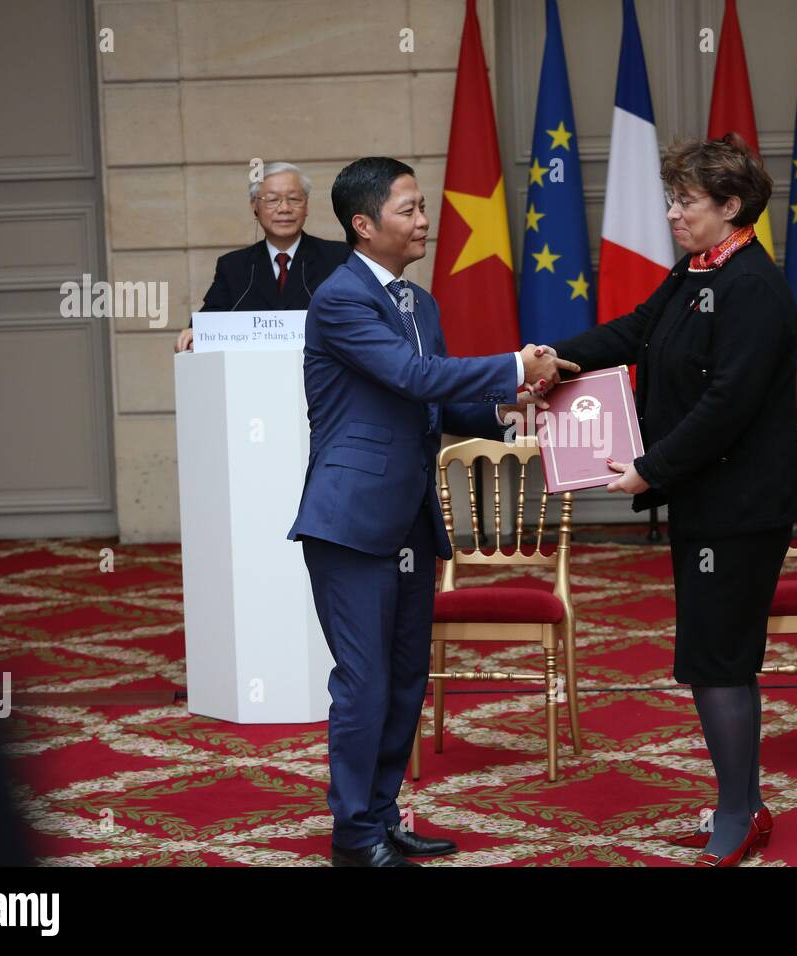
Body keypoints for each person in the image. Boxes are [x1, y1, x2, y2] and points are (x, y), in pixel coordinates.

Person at [285, 157, 578, 867]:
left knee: (407, 676)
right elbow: (411, 375)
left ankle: (383, 818)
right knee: (365, 682)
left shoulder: (420, 303)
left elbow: (437, 403)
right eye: (409, 210)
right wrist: (515, 363)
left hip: (411, 518)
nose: (425, 222)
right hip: (351, 522)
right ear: (363, 224)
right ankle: (353, 834)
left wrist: (512, 407)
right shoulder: (340, 298)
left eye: (422, 208)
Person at [549, 134, 797, 866]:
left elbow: (729, 403)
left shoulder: (754, 285)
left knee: (719, 659)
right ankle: (741, 804)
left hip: (743, 505)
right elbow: (636, 332)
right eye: (672, 198)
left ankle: (740, 813)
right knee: (710, 656)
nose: (672, 212)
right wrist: (550, 358)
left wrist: (650, 468)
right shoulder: (697, 270)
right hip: (709, 498)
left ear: (732, 208)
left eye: (687, 201)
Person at [174, 162, 350, 352]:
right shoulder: (234, 266)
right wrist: (196, 332)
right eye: (272, 199)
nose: (284, 208)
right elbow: (212, 317)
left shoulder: (338, 258)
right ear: (254, 207)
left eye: (294, 199)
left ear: (306, 205)